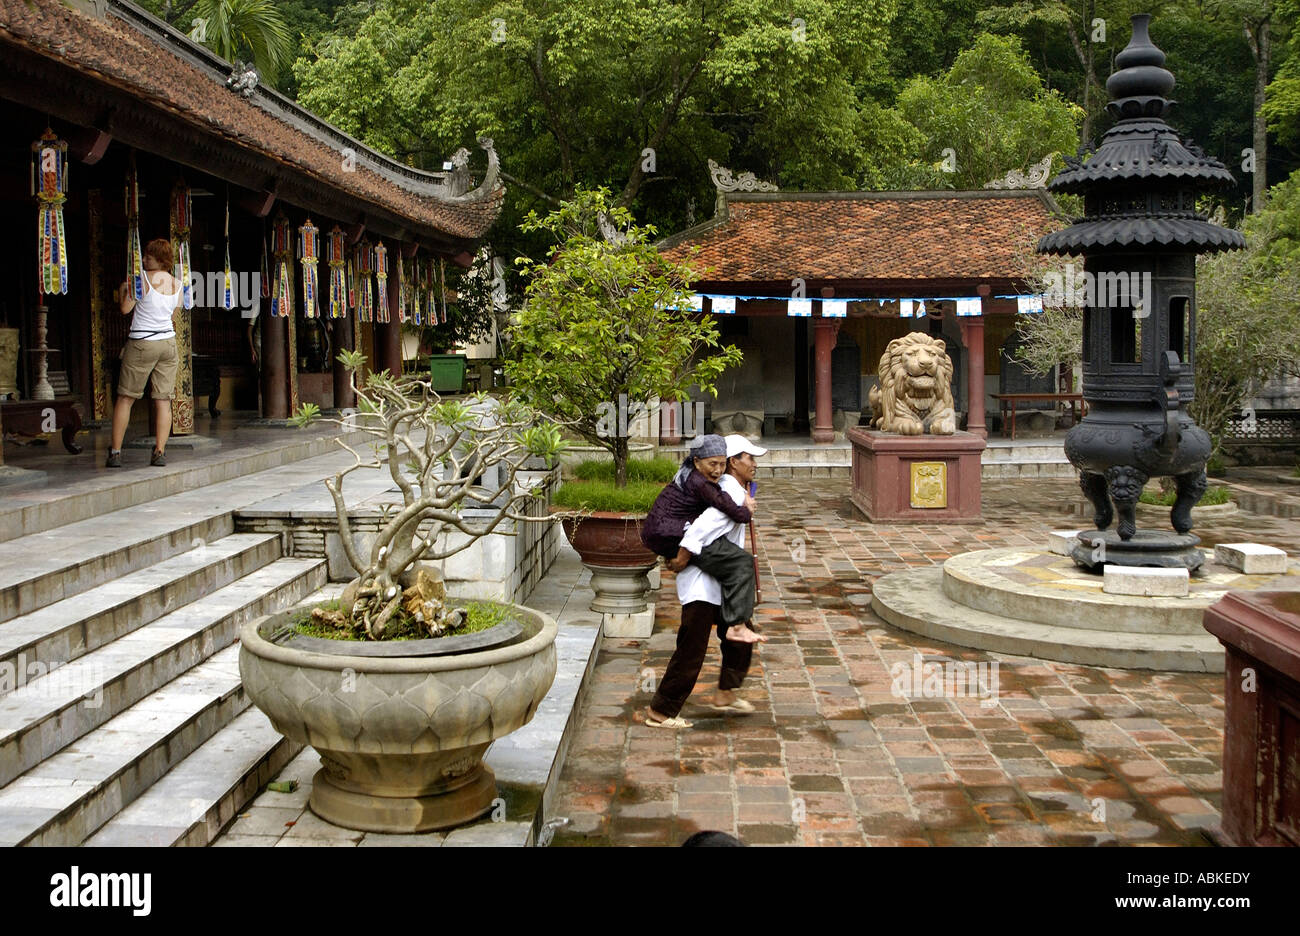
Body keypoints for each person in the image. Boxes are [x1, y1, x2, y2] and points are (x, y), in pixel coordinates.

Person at [645, 434, 769, 729]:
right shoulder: (728, 490)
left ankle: (726, 693)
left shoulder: (733, 488)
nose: (754, 464)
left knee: (740, 636)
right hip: (702, 584)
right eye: (749, 458)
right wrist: (682, 556)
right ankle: (661, 711)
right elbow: (701, 528)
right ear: (733, 462)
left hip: (721, 583)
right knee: (692, 649)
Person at [641, 433, 761, 643]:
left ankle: (738, 627)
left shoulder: (690, 473)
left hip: (662, 533)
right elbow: (720, 507)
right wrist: (746, 512)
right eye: (712, 464)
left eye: (721, 464)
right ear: (696, 461)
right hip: (671, 534)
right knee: (742, 563)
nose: (717, 470)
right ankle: (737, 626)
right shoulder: (703, 483)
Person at [108, 238, 181, 468]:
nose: (144, 258)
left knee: (126, 397)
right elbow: (173, 316)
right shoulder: (178, 285)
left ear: (159, 259)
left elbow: (125, 308)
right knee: (163, 400)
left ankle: (116, 452)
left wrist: (123, 288)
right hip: (168, 344)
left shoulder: (140, 280)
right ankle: (160, 451)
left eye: (149, 255)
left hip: (142, 342)